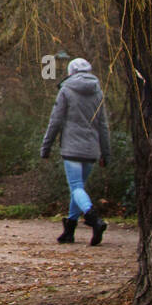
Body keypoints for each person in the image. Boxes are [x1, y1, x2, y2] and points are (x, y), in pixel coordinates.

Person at [40, 57, 110, 245]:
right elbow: (103, 125)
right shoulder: (98, 92)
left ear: (71, 71)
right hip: (91, 149)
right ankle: (69, 230)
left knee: (76, 187)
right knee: (77, 189)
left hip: (72, 147)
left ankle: (93, 218)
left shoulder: (66, 90)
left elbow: (55, 120)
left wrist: (46, 147)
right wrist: (105, 153)